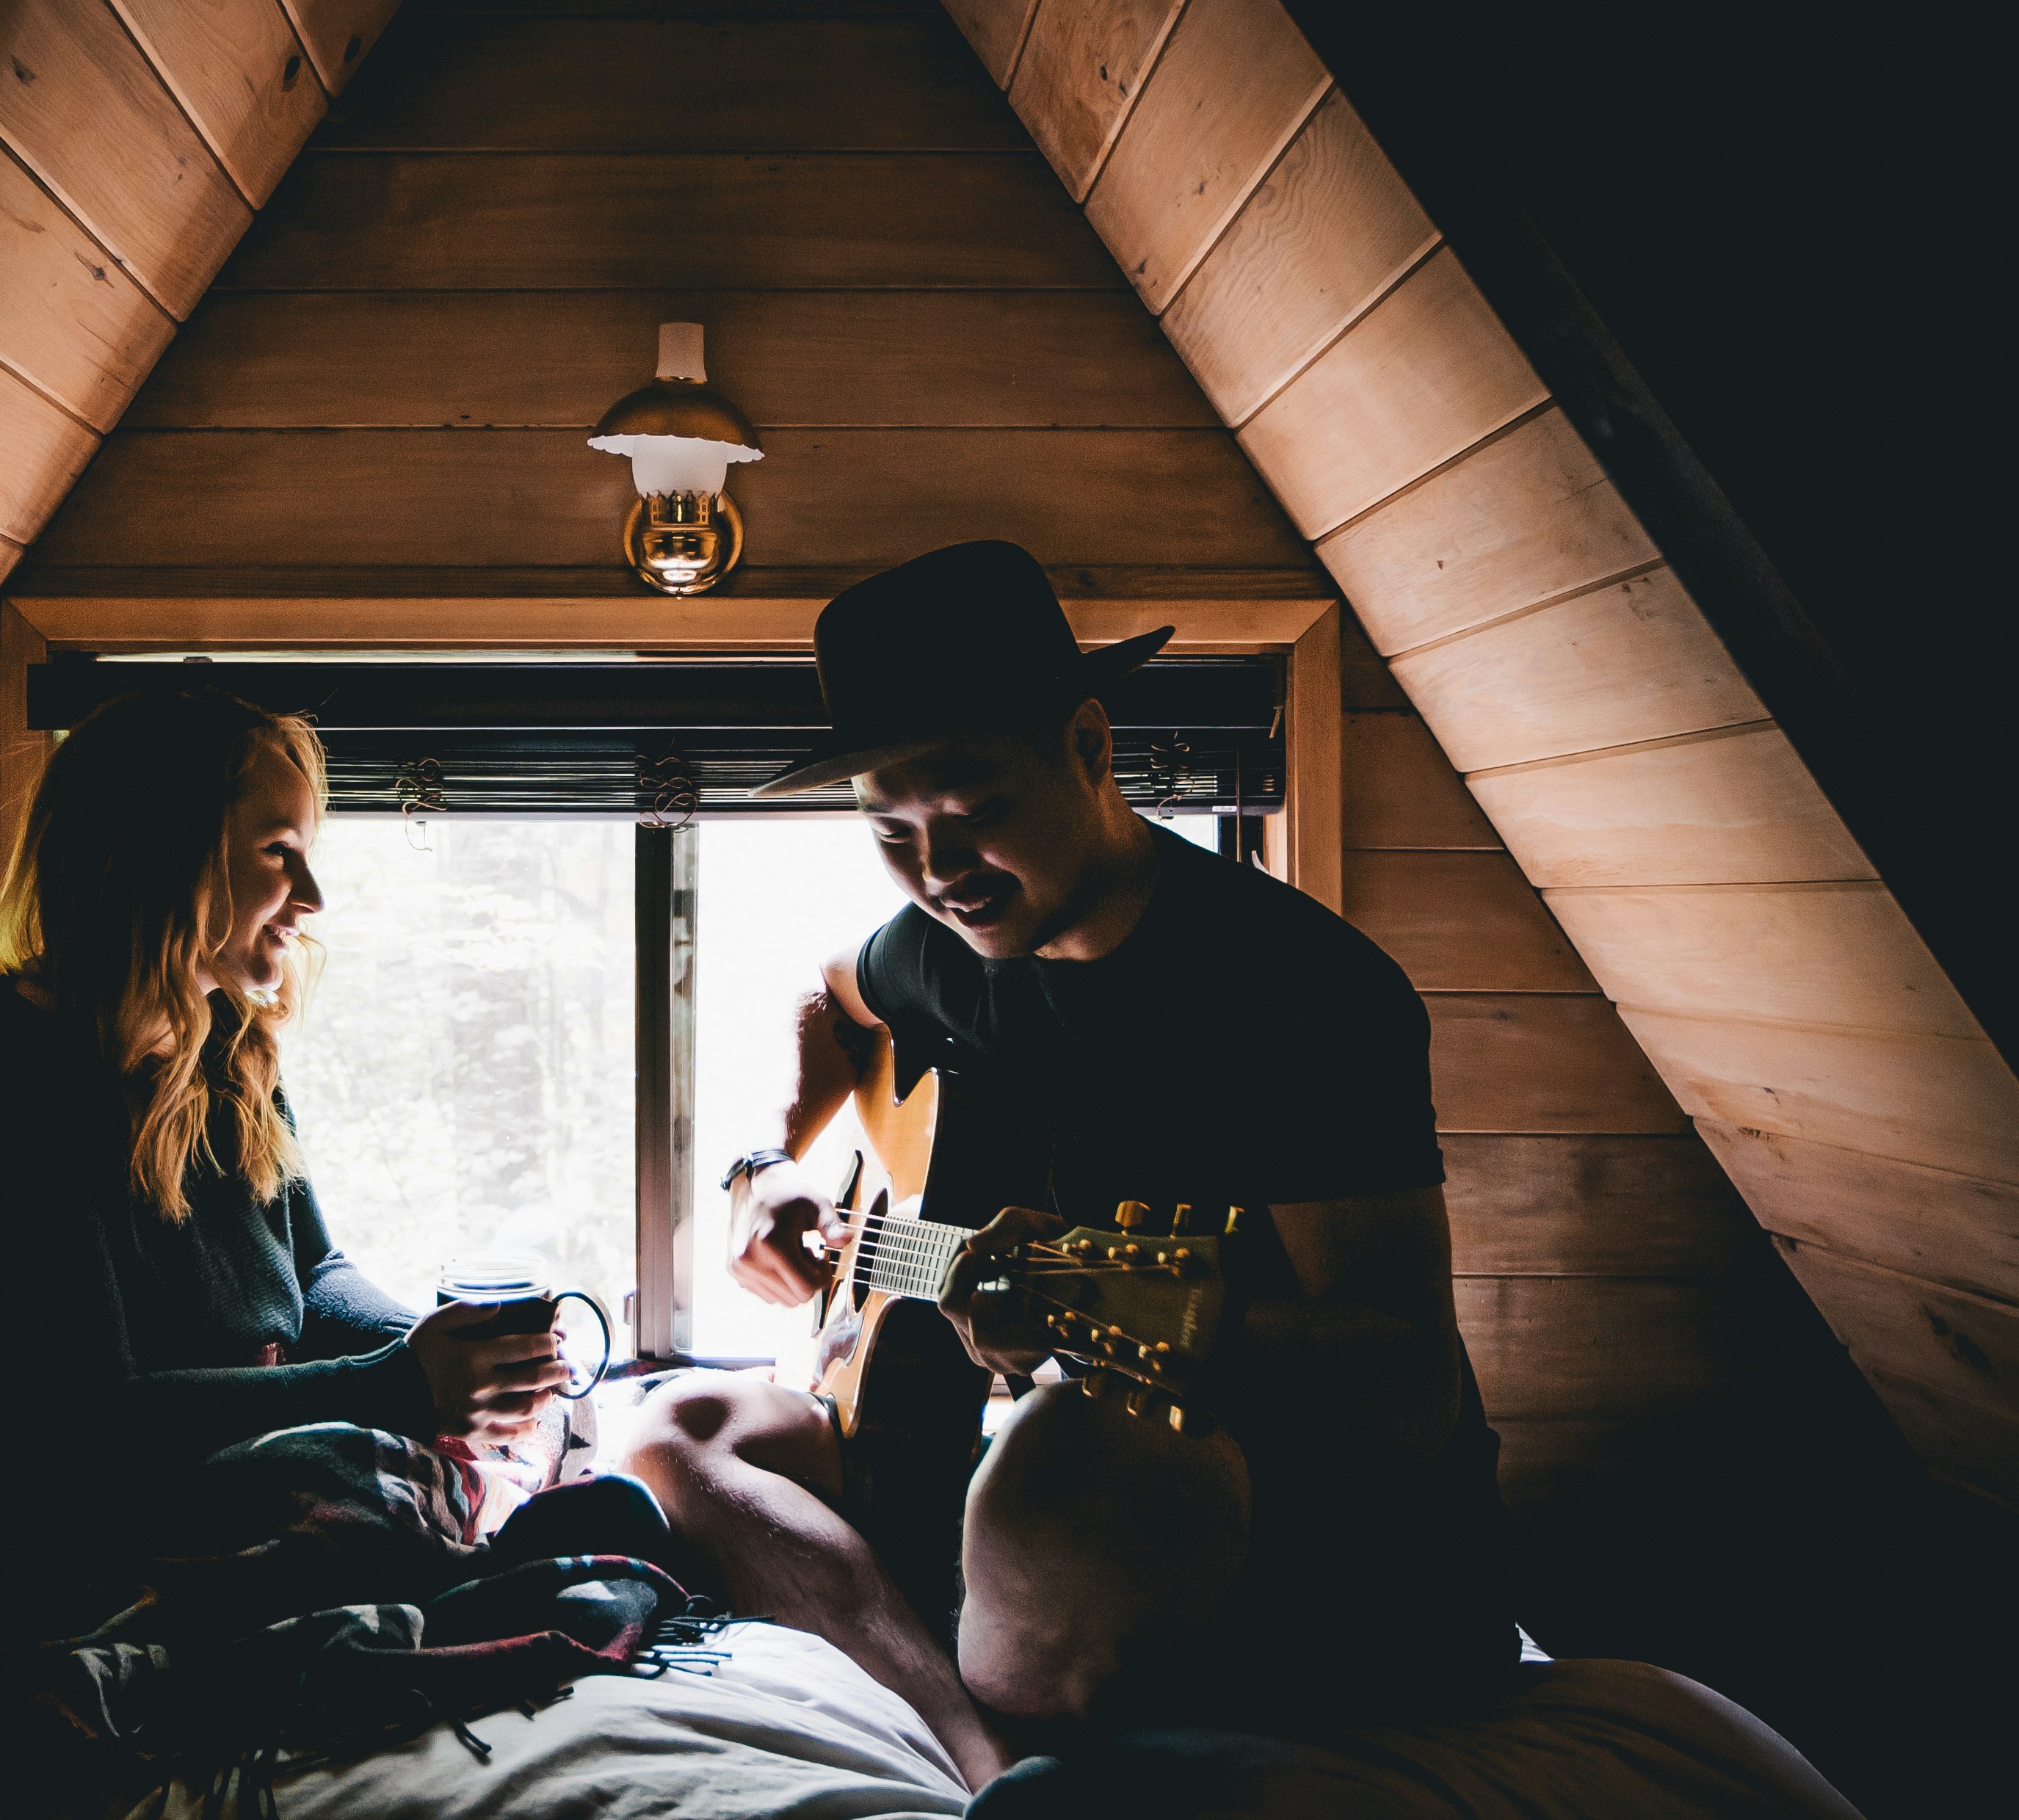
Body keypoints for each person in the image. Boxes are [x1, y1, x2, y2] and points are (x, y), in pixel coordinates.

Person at [612, 543, 1509, 1788]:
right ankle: (980, 1755)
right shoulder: (946, 944)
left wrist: (1113, 1307)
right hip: (993, 1442)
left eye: (971, 809)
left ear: (1086, 745)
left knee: (1081, 1484)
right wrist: (769, 1165)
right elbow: (827, 999)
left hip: (1260, 1507)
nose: (936, 871)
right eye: (892, 829)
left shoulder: (1301, 995)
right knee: (675, 1426)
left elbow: (1406, 1387)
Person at [0, 686, 569, 1587]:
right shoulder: (0, 1085)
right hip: (3, 1521)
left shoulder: (223, 1042)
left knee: (563, 1474)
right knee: (375, 1493)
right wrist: (397, 1386)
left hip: (186, 1472)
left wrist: (443, 1350)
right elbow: (84, 1430)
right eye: (278, 853)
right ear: (162, 856)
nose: (311, 897)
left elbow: (311, 1273)